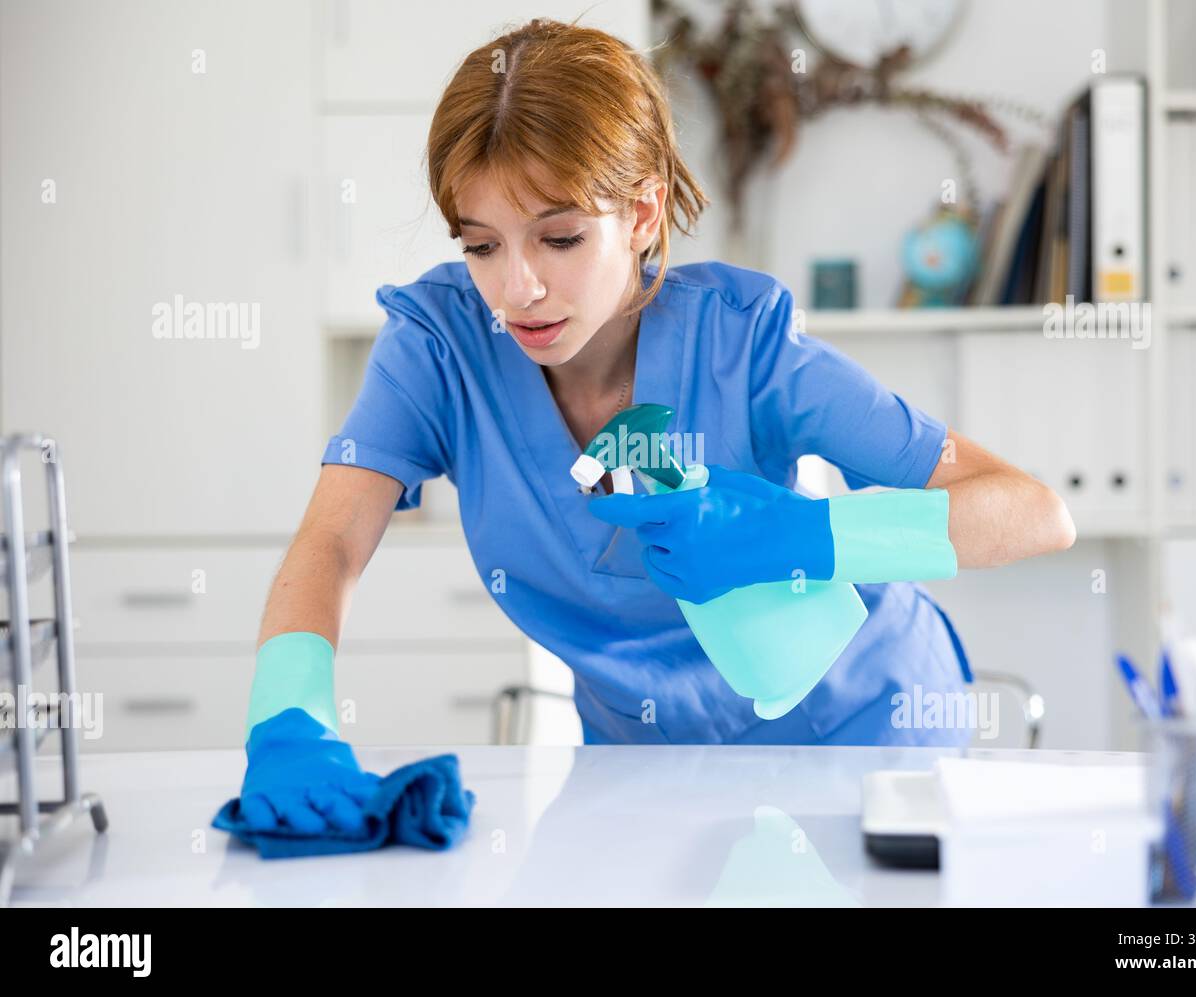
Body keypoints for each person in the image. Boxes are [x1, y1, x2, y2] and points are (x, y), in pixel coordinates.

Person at [231, 18, 1076, 835]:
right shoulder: (441, 344)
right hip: (646, 766)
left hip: (862, 739)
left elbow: (1035, 512)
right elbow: (333, 541)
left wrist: (803, 535)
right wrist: (288, 716)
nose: (516, 288)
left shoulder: (742, 342)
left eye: (558, 237)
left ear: (641, 215)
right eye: (481, 245)